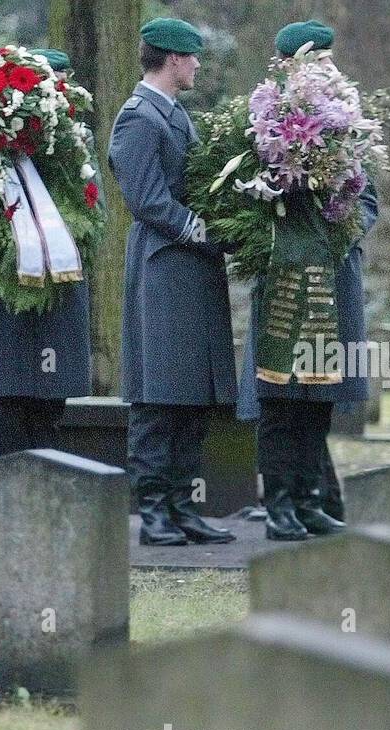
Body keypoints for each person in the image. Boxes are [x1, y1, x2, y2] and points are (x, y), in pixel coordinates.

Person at [237, 19, 375, 540]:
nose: (328, 67)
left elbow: (369, 198)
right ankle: (278, 506)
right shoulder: (263, 120)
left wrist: (344, 224)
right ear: (294, 63)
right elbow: (244, 195)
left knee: (320, 392)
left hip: (334, 276)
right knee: (280, 399)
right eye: (318, 59)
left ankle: (309, 499)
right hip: (285, 279)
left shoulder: (347, 125)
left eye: (329, 59)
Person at [109, 18, 237, 546]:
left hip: (192, 266)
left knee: (192, 393)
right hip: (164, 264)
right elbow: (146, 198)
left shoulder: (177, 115)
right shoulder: (140, 118)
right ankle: (155, 510)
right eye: (193, 57)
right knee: (159, 394)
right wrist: (207, 233)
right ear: (173, 59)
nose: (199, 65)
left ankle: (183, 505)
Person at [0, 46, 93, 457]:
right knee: (12, 398)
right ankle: (3, 492)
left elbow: (91, 207)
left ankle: (49, 491)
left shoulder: (80, 141)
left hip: (63, 281)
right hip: (14, 280)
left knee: (51, 398)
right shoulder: (1, 143)